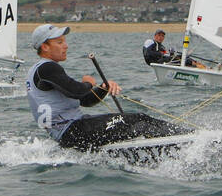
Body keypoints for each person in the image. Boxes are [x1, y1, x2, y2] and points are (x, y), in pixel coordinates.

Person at [28, 24, 189, 150]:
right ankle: (188, 140)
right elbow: (78, 90)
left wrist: (103, 88)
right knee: (138, 120)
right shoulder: (47, 68)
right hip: (73, 132)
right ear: (45, 47)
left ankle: (184, 136)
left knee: (137, 119)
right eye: (60, 42)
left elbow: (86, 100)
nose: (66, 46)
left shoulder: (40, 70)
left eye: (64, 41)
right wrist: (89, 82)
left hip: (71, 133)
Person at [141, 29, 207, 69]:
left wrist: (171, 53)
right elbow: (148, 53)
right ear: (155, 36)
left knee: (182, 56)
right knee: (181, 59)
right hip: (157, 62)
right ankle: (197, 66)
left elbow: (168, 56)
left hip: (162, 62)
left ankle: (200, 66)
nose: (160, 37)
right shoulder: (150, 41)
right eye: (159, 35)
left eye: (162, 36)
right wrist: (161, 53)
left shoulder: (162, 47)